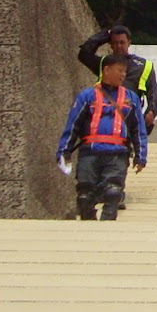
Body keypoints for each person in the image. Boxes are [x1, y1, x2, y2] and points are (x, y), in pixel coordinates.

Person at [55, 53, 147, 220]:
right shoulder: (86, 96)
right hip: (90, 153)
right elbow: (73, 125)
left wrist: (141, 156)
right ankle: (88, 226)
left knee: (113, 193)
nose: (123, 75)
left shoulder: (131, 98)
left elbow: (138, 129)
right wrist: (64, 151)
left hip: (117, 154)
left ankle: (107, 228)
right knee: (85, 196)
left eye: (125, 71)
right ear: (106, 70)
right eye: (119, 70)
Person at [77, 25, 157, 135]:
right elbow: (84, 54)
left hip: (128, 121)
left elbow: (154, 95)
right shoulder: (105, 63)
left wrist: (151, 112)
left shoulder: (144, 66)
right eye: (115, 43)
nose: (119, 46)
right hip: (102, 119)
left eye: (122, 42)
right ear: (110, 45)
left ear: (129, 43)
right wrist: (106, 35)